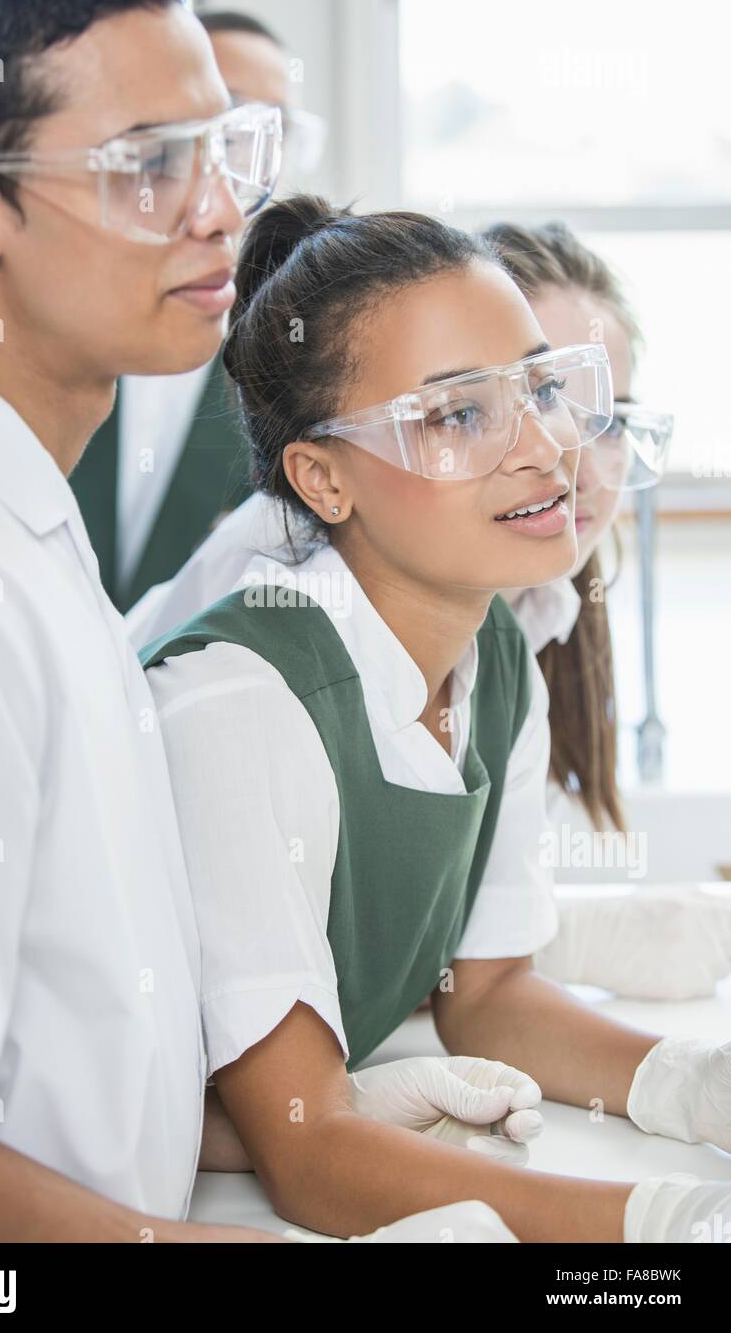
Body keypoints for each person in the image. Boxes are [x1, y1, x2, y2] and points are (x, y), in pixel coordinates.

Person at [138, 194, 731, 1242]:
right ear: (321, 478)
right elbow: (311, 1152)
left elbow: (488, 986)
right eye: (457, 414)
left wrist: (691, 1087)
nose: (547, 447)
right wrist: (661, 1223)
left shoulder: (495, 657)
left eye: (543, 387)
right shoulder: (240, 703)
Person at [0, 0, 286, 1243]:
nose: (219, 212)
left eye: (227, 150)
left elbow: (65, 1055)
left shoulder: (16, 514)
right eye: (148, 165)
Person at [483, 220, 731, 1001]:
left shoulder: (546, 603)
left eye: (613, 420)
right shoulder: (352, 609)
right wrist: (579, 945)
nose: (583, 466)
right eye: (548, 397)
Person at [72, 9, 327, 616]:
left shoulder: (304, 358)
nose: (242, 153)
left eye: (273, 129)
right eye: (225, 114)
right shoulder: (74, 317)